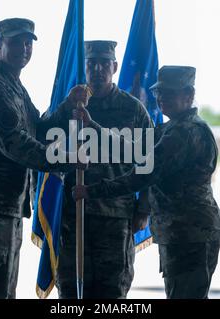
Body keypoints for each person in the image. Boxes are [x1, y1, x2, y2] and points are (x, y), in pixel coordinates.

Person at [73, 65, 220, 299]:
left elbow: (142, 174)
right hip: (181, 231)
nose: (163, 98)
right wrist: (93, 126)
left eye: (170, 93)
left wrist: (91, 191)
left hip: (191, 233)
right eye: (159, 93)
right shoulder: (170, 128)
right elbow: (133, 149)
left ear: (189, 95)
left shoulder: (186, 133)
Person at [0, 18, 80, 299]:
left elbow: (40, 129)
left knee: (3, 292)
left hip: (5, 206)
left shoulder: (14, 88)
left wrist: (67, 107)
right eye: (16, 42)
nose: (24, 48)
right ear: (0, 43)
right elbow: (16, 144)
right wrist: (68, 160)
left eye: (28, 43)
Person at [53, 40, 153, 299]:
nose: (98, 69)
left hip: (115, 216)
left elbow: (149, 160)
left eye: (104, 63)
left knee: (111, 291)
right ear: (84, 67)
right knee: (72, 291)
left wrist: (144, 208)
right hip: (74, 214)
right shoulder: (73, 104)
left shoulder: (133, 109)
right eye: (91, 63)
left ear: (115, 67)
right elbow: (44, 142)